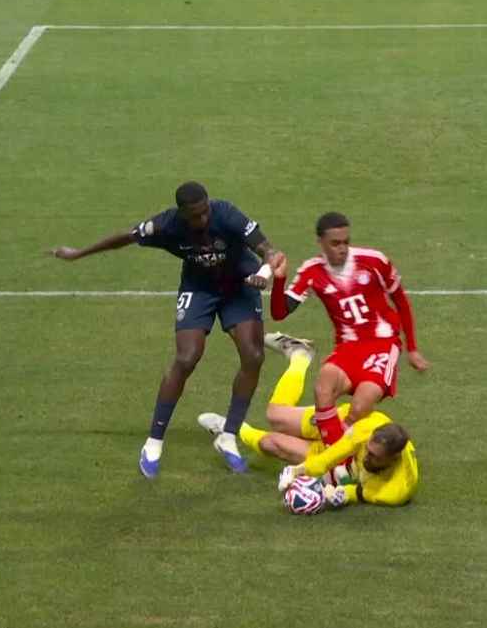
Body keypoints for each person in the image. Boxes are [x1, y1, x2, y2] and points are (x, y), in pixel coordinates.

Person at [51, 181, 285, 478]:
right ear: (182, 213)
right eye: (195, 216)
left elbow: (269, 250)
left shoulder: (226, 214)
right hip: (198, 287)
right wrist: (78, 253)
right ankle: (154, 441)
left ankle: (228, 437)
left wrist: (264, 272)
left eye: (204, 212)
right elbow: (125, 237)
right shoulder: (166, 225)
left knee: (253, 356)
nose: (202, 220)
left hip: (240, 284)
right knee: (187, 357)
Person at [197, 333, 419, 507]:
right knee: (276, 416)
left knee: (270, 443)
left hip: (346, 467)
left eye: (374, 456)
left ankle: (230, 428)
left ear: (393, 458)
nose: (368, 455)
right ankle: (300, 357)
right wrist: (298, 471)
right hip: (341, 429)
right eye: (368, 450)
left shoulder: (395, 492)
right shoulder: (365, 431)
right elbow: (332, 455)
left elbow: (358, 492)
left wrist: (341, 494)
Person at [270, 212, 429, 451]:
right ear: (320, 243)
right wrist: (280, 279)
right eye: (335, 243)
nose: (342, 248)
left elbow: (401, 301)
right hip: (347, 348)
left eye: (346, 242)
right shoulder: (312, 272)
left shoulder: (374, 261)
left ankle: (333, 443)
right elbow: (279, 312)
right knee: (323, 386)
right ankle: (337, 457)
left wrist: (413, 349)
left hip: (383, 345)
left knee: (360, 407)